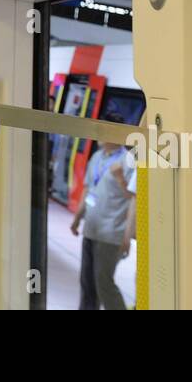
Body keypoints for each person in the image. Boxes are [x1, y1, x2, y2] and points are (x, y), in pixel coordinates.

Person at [70, 112, 137, 310]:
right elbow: (89, 190)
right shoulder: (97, 157)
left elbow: (133, 197)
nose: (97, 133)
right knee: (87, 282)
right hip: (91, 228)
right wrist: (77, 219)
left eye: (102, 129)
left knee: (103, 283)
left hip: (111, 233)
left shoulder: (128, 161)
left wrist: (120, 178)